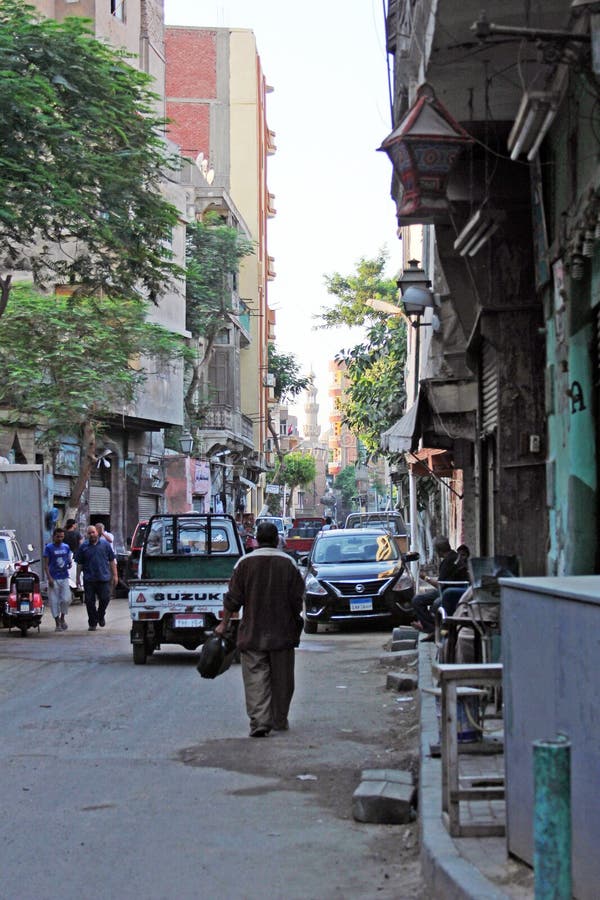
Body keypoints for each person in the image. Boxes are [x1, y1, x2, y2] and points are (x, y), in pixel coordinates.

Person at [215, 521, 305, 738]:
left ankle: (260, 721)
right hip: (283, 632)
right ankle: (279, 719)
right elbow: (297, 599)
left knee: (255, 678)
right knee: (283, 679)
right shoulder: (289, 564)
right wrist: (296, 622)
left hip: (253, 632)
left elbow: (233, 599)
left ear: (256, 540)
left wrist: (223, 624)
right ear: (277, 540)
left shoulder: (244, 563)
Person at [412, 537, 470, 639]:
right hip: (449, 590)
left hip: (449, 592)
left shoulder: (447, 562)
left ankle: (432, 629)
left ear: (439, 551)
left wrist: (425, 578)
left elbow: (440, 585)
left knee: (420, 601)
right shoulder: (455, 557)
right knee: (419, 599)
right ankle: (432, 628)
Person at [75, 525, 118, 631]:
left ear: (97, 533)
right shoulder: (83, 547)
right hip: (89, 579)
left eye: (93, 532)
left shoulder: (105, 545)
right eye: (89, 533)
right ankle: (92, 622)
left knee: (105, 598)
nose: (91, 534)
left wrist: (115, 575)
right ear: (87, 534)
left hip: (103, 578)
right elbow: (79, 563)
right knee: (89, 602)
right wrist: (77, 578)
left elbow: (112, 560)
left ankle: (100, 615)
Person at [43, 527, 72, 631]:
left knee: (66, 599)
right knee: (54, 601)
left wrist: (69, 563)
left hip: (64, 577)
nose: (60, 539)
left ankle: (62, 617)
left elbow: (68, 558)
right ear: (54, 536)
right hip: (53, 578)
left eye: (62, 537)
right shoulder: (48, 548)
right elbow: (46, 565)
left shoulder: (66, 547)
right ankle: (57, 622)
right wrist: (49, 578)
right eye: (58, 537)